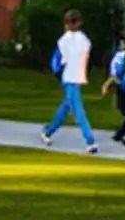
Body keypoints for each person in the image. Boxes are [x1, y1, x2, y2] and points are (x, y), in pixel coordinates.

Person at [41, 9, 97, 154]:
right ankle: (90, 140)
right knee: (78, 111)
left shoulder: (63, 41)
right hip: (74, 78)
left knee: (67, 107)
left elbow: (56, 62)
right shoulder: (84, 40)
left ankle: (48, 131)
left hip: (70, 77)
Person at [100, 40, 125, 146]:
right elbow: (118, 73)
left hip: (121, 86)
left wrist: (107, 84)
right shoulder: (124, 56)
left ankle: (124, 132)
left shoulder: (117, 56)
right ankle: (120, 134)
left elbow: (114, 74)